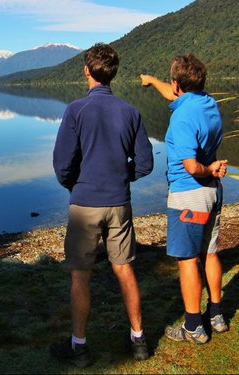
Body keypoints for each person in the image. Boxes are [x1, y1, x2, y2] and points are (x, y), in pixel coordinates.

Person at [51, 43, 155, 367]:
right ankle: (138, 340)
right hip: (119, 202)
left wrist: (77, 184)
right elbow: (145, 163)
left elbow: (61, 165)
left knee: (81, 276)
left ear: (86, 70)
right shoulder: (131, 112)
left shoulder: (75, 110)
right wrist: (120, 177)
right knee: (124, 268)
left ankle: (79, 347)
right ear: (114, 72)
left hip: (85, 204)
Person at [140, 54, 229, 345]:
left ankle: (192, 325)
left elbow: (191, 165)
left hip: (189, 193)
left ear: (177, 83)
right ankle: (216, 315)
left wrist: (209, 169)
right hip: (213, 193)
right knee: (210, 253)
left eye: (170, 81)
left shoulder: (182, 117)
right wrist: (152, 81)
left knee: (188, 260)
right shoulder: (207, 103)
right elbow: (175, 93)